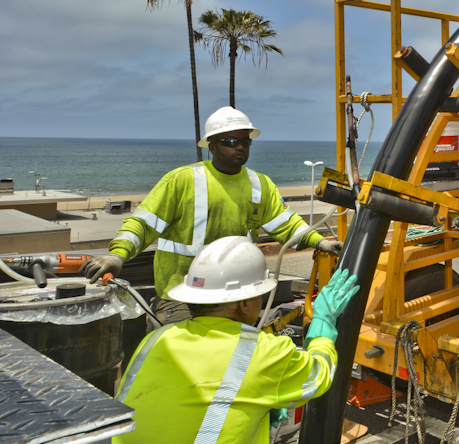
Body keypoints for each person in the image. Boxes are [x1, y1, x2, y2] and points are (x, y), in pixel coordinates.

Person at [109, 235, 361, 444]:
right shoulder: (262, 351)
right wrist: (323, 324)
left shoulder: (156, 341)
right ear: (244, 304)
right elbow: (319, 375)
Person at [83, 107, 341, 324]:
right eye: (231, 142)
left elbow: (287, 225)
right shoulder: (182, 181)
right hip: (183, 299)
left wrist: (321, 242)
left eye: (245, 141)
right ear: (212, 146)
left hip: (235, 299)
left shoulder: (259, 185)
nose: (240, 147)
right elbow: (142, 224)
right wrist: (117, 255)